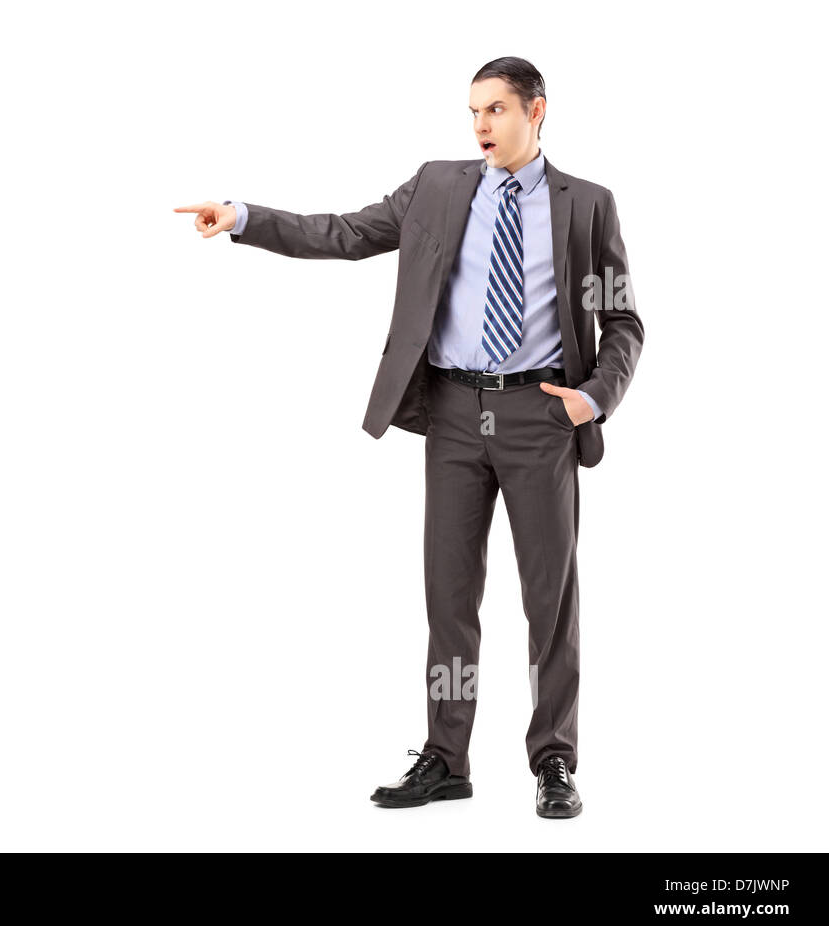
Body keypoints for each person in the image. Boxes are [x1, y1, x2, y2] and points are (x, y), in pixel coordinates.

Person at [174, 57, 642, 818]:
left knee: (549, 601)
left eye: (495, 110)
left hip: (540, 419)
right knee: (449, 598)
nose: (481, 126)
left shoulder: (585, 206)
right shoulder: (438, 186)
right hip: (454, 415)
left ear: (537, 110)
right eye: (472, 112)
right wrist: (244, 217)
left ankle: (554, 759)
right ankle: (446, 756)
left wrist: (592, 399)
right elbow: (348, 232)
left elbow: (621, 318)